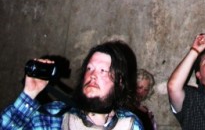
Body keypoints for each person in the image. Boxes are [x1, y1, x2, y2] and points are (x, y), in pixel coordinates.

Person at [1, 41, 145, 129]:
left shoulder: (131, 124)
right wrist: (29, 94)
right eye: (89, 68)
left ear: (120, 83)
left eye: (103, 71)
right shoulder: (54, 116)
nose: (92, 75)